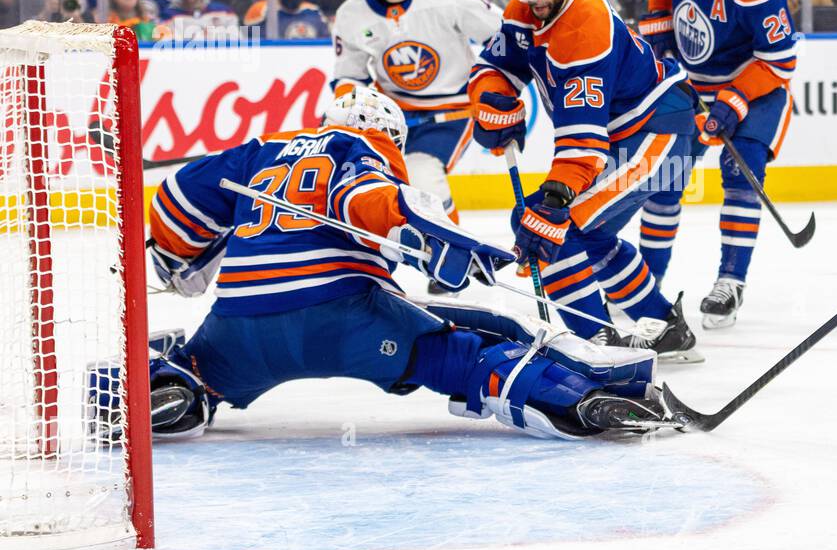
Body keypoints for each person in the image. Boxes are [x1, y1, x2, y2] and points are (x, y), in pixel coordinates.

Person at [140, 85, 677, 440]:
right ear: (387, 134)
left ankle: (173, 389)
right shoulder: (361, 150)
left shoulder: (260, 150)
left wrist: (178, 257)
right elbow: (369, 200)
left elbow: (176, 195)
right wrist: (446, 241)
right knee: (470, 353)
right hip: (345, 315)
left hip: (239, 328)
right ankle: (580, 400)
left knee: (197, 365)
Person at [478, 0, 699, 357]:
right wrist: (493, 101)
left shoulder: (584, 29)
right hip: (623, 133)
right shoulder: (521, 13)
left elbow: (582, 144)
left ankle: (593, 340)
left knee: (551, 229)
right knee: (586, 235)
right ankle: (665, 328)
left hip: (655, 130)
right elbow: (495, 67)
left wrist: (554, 203)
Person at [635, 0, 797, 331]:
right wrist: (659, 34)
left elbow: (780, 60)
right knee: (664, 181)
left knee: (741, 172)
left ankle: (731, 281)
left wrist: (734, 99)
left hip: (754, 85)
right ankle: (647, 286)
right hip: (691, 85)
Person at [331, 0, 501, 234]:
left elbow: (500, 33)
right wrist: (346, 109)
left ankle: (454, 251)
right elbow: (349, 75)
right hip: (393, 114)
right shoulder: (351, 14)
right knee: (350, 171)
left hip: (454, 111)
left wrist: (500, 81)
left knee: (422, 178)